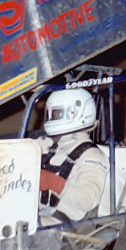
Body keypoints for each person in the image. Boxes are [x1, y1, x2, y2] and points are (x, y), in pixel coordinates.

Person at [38, 88, 108, 226]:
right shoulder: (47, 144)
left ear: (76, 113)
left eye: (57, 113)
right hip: (35, 215)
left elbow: (88, 200)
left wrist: (53, 182)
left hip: (64, 226)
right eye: (50, 113)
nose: (52, 118)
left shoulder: (91, 155)